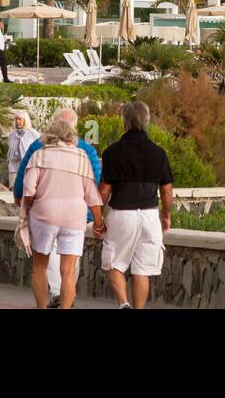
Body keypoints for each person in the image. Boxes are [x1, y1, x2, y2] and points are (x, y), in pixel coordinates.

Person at [12, 107, 100, 308]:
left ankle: (48, 299)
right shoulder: (85, 152)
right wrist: (97, 217)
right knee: (69, 270)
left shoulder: (38, 149)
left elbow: (25, 186)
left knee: (40, 266)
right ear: (74, 130)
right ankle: (66, 302)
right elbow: (94, 185)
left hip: (44, 214)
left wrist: (23, 205)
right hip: (75, 215)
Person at [97, 101, 173, 309]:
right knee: (142, 270)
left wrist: (97, 218)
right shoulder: (158, 153)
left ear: (125, 123)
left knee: (113, 263)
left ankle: (123, 304)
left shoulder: (112, 153)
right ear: (146, 122)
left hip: (122, 215)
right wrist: (166, 215)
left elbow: (104, 190)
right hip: (149, 215)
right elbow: (166, 190)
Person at [7, 110, 38, 186]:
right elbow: (10, 150)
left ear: (25, 120)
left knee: (26, 191)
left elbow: (40, 146)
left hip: (27, 168)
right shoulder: (12, 134)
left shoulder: (32, 133)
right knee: (13, 191)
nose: (18, 121)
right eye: (16, 119)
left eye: (20, 119)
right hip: (13, 168)